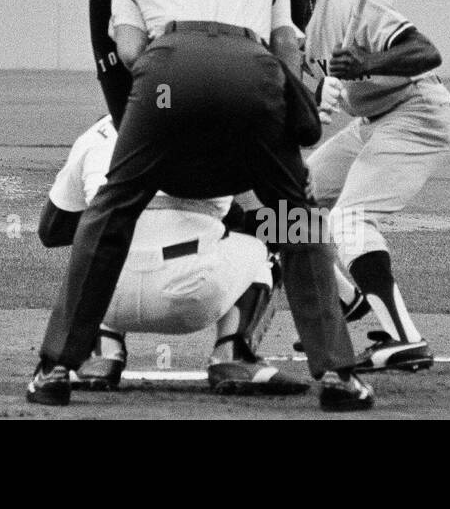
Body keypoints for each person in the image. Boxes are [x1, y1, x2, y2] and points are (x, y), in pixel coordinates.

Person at [27, 0, 372, 411]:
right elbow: (286, 49)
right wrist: (289, 104)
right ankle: (338, 376)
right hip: (251, 70)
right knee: (295, 219)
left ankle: (56, 368)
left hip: (168, 70)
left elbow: (129, 50)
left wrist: (166, 93)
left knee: (113, 206)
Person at [243, 0, 450, 371]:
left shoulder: (344, 3)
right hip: (372, 121)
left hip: (419, 110)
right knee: (286, 210)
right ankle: (345, 301)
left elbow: (426, 52)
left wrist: (368, 62)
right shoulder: (273, 26)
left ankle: (405, 341)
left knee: (351, 219)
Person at [38, 114, 308, 395]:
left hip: (108, 299)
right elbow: (261, 222)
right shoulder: (224, 126)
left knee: (98, 247)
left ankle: (102, 352)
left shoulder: (95, 134)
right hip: (194, 298)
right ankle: (233, 354)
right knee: (265, 241)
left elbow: (52, 230)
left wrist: (113, 210)